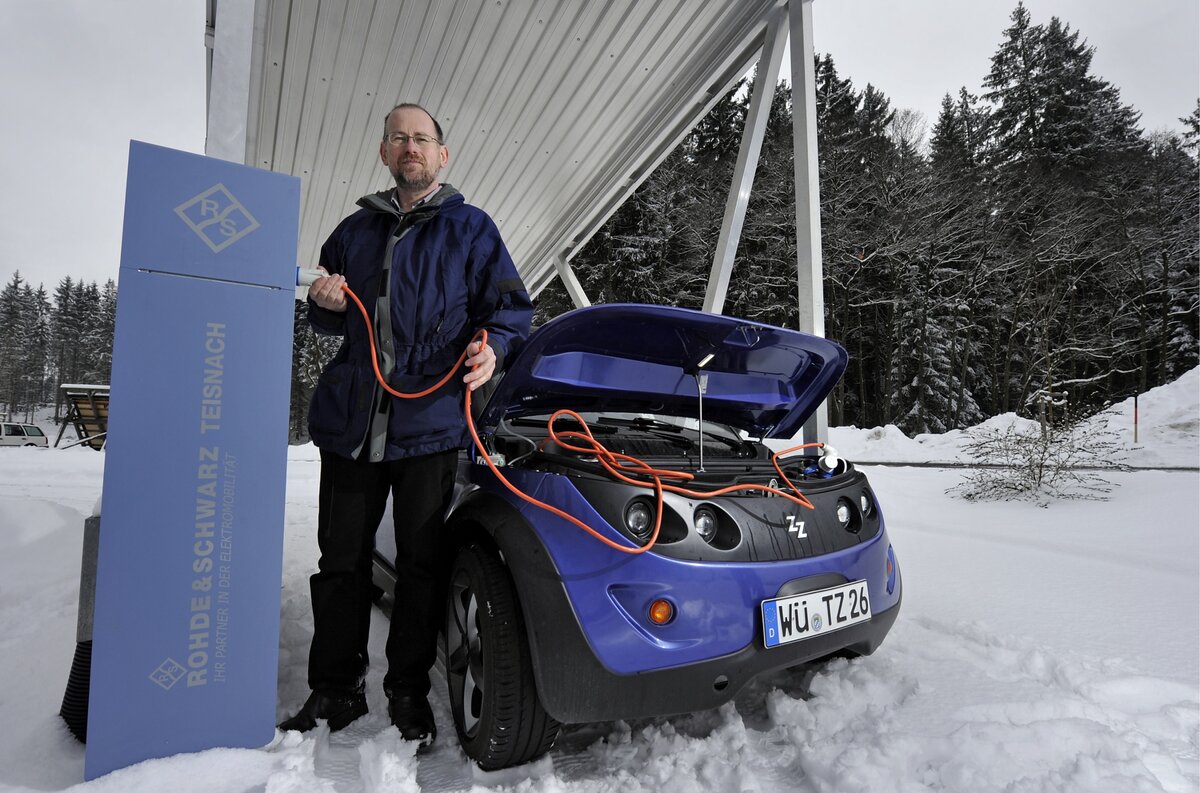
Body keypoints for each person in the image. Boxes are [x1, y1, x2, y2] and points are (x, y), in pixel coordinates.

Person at [279, 103, 533, 747]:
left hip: (432, 422)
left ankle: (407, 691)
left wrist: (492, 348)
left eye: (422, 138)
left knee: (421, 565)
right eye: (399, 138)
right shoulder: (351, 233)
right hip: (352, 424)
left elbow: (509, 311)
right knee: (340, 561)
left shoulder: (473, 231)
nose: (410, 147)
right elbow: (333, 319)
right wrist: (322, 301)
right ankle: (335, 685)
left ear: (441, 155)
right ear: (384, 154)